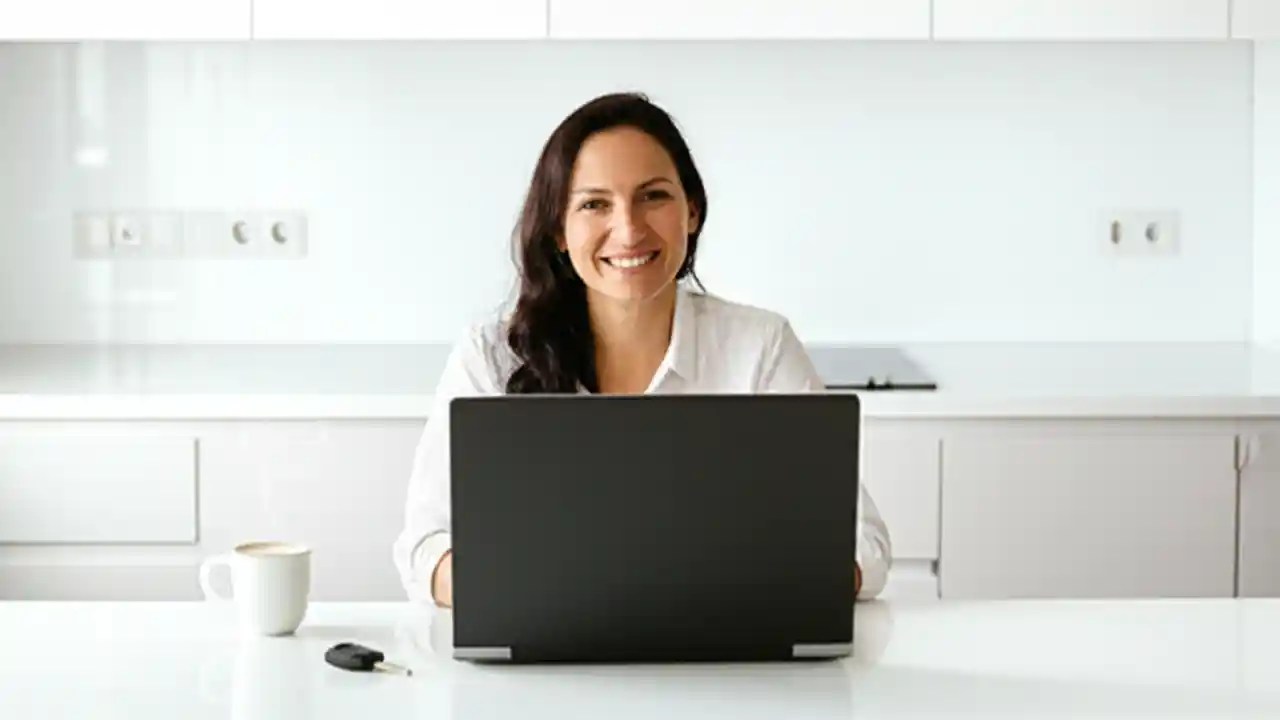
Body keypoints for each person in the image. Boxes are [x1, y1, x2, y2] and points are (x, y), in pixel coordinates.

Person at [393, 92, 891, 608]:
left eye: (653, 196)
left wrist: (727, 591)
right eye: (594, 204)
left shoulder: (759, 346)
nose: (629, 230)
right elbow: (424, 548)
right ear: (559, 230)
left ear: (691, 211)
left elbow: (862, 546)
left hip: (720, 657)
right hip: (547, 649)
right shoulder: (492, 356)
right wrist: (547, 595)